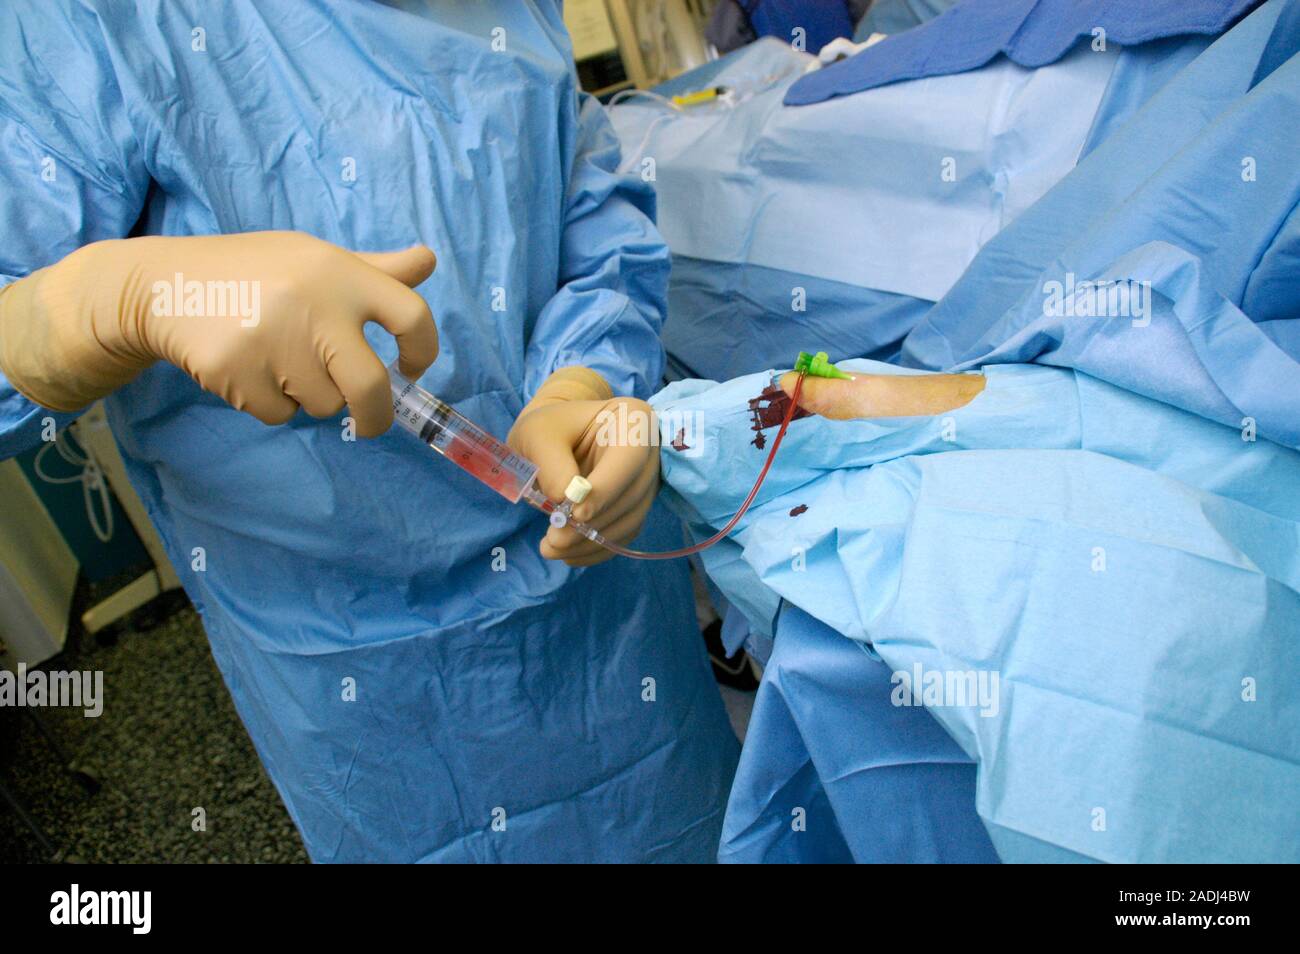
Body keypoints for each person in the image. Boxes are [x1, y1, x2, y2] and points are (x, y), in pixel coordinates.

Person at [0, 0, 739, 862]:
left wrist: (583, 380)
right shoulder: (81, 22)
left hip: (599, 587)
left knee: (677, 825)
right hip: (365, 666)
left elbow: (584, 196)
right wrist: (118, 300)